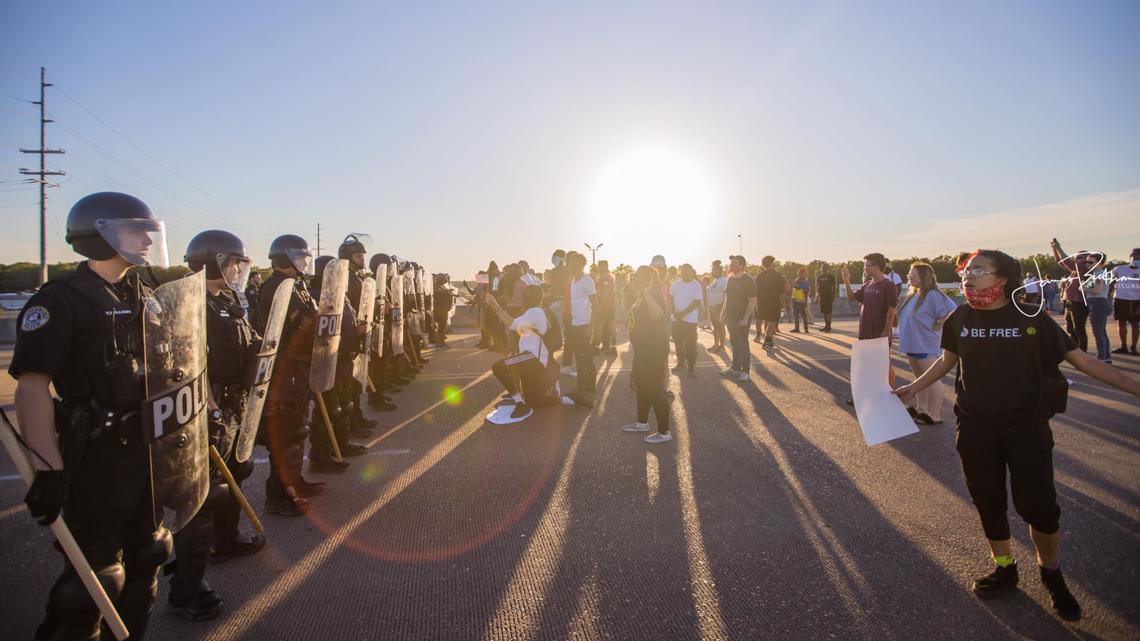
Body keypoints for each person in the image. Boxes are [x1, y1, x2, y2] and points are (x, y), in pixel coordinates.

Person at [895, 249, 1140, 622]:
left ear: (1002, 279)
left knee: (1039, 507)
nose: (969, 276)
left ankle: (1051, 573)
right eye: (967, 270)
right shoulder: (960, 317)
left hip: (1027, 427)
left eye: (979, 270)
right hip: (975, 427)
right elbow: (947, 362)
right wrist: (912, 389)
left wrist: (1134, 387)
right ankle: (1005, 567)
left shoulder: (1031, 317)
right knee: (988, 502)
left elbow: (1083, 361)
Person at [11, 192, 185, 639]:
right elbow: (32, 387)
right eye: (135, 231)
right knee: (94, 580)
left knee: (149, 553)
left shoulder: (146, 295)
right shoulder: (61, 300)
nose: (147, 241)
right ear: (99, 234)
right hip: (96, 456)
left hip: (146, 450)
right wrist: (48, 469)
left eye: (149, 232)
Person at [167, 229, 265, 620]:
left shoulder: (228, 300)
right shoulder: (188, 302)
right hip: (208, 408)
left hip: (235, 402)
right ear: (215, 261)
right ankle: (186, 587)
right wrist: (208, 409)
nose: (239, 270)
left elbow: (248, 343)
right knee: (202, 497)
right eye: (235, 263)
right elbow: (188, 362)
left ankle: (226, 541)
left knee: (236, 471)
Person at [260, 233, 323, 514]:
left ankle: (294, 482)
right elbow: (300, 325)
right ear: (284, 258)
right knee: (284, 435)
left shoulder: (296, 286)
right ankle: (278, 496)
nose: (304, 263)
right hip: (285, 370)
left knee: (298, 430)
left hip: (299, 368)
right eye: (299, 257)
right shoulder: (276, 287)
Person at [485, 285, 562, 420]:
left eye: (525, 295)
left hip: (531, 358)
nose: (522, 298)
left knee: (498, 367)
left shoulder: (534, 312)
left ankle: (519, 403)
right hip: (535, 360)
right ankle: (561, 398)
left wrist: (494, 305)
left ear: (530, 297)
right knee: (533, 401)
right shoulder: (541, 311)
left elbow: (511, 324)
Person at [896, 262, 957, 425]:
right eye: (909, 274)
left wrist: (939, 323)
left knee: (933, 380)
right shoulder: (914, 294)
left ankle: (935, 414)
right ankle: (921, 409)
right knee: (919, 379)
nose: (909, 276)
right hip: (912, 344)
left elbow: (953, 310)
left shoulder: (933, 295)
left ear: (923, 277)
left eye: (913, 274)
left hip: (925, 344)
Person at [623, 266, 673, 443]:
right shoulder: (641, 295)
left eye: (638, 276)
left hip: (654, 349)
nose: (634, 279)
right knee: (641, 385)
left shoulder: (653, 293)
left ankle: (664, 432)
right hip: (642, 348)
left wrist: (646, 294)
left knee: (654, 389)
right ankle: (642, 423)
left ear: (648, 279)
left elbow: (657, 315)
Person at [564, 251, 597, 406]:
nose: (570, 265)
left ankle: (582, 390)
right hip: (575, 324)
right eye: (569, 262)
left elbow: (596, 305)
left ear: (580, 265)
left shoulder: (587, 281)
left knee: (583, 358)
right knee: (583, 357)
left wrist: (591, 326)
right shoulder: (573, 280)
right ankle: (588, 387)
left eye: (573, 263)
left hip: (584, 324)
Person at [1050, 239, 1093, 352]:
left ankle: (1082, 349)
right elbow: (1060, 261)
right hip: (1069, 301)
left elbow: (1066, 261)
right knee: (1070, 328)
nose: (1078, 259)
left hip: (1079, 302)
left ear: (1087, 259)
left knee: (1078, 328)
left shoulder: (1085, 269)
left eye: (1081, 257)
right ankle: (1074, 348)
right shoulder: (1074, 271)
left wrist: (1059, 247)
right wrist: (1054, 248)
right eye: (1077, 257)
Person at [720, 255, 757, 382]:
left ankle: (745, 371)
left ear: (741, 265)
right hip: (731, 317)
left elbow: (752, 301)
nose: (731, 265)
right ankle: (735, 368)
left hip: (742, 318)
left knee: (743, 343)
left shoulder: (748, 280)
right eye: (731, 262)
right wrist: (723, 313)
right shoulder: (730, 279)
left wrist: (745, 318)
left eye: (734, 262)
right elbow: (727, 298)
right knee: (734, 342)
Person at [669, 263, 703, 377]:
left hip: (690, 320)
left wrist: (682, 313)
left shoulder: (696, 285)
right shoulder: (675, 285)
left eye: (687, 270)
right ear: (680, 272)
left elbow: (697, 302)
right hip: (676, 319)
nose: (684, 272)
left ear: (691, 271)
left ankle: (691, 366)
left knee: (690, 344)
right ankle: (680, 363)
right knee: (678, 342)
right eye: (683, 270)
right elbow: (671, 300)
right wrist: (675, 313)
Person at [1081, 254, 1113, 364]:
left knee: (1098, 333)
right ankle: (1106, 356)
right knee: (1102, 332)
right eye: (1086, 262)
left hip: (1098, 303)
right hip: (1099, 303)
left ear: (1100, 263)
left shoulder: (1099, 274)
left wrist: (1083, 288)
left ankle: (1101, 357)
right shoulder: (1098, 274)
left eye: (1091, 262)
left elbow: (1098, 290)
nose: (1087, 264)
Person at [1111, 248, 1140, 355]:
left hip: (1135, 300)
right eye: (1133, 255)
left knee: (1135, 324)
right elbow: (1111, 281)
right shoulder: (1119, 269)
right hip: (1120, 299)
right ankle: (1123, 346)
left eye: (1137, 256)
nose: (1134, 257)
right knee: (1121, 323)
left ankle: (1133, 347)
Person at [754, 256, 785, 349]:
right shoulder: (777, 275)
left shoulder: (759, 276)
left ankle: (770, 341)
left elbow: (756, 293)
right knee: (772, 323)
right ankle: (767, 342)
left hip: (762, 303)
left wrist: (757, 305)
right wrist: (782, 305)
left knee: (766, 321)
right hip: (773, 302)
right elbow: (781, 292)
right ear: (772, 263)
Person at [595, 260, 618, 356]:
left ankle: (596, 348)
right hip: (611, 306)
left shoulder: (606, 278)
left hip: (606, 306)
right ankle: (613, 348)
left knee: (599, 326)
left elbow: (606, 292)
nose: (598, 268)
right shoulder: (609, 276)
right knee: (611, 326)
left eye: (599, 266)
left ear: (605, 266)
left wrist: (601, 306)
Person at [705, 261, 728, 352]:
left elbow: (726, 294)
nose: (712, 272)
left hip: (719, 307)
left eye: (714, 270)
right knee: (715, 327)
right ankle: (716, 345)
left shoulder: (724, 280)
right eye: (712, 270)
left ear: (719, 271)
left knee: (720, 326)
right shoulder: (715, 280)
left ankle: (722, 346)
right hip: (712, 307)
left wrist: (721, 308)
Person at [433, 274, 454, 348]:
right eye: (444, 279)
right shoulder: (436, 286)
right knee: (441, 327)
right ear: (440, 279)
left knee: (442, 327)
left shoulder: (442, 286)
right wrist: (448, 291)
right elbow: (439, 292)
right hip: (440, 310)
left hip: (444, 309)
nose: (446, 280)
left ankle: (441, 342)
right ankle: (440, 343)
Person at [816, 264, 837, 332]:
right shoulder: (819, 277)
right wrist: (817, 296)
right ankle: (826, 326)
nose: (823, 268)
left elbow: (834, 286)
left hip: (829, 296)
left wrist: (834, 296)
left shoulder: (830, 276)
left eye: (824, 267)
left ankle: (829, 326)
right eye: (822, 267)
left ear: (827, 268)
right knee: (824, 312)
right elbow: (818, 288)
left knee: (829, 312)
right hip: (822, 297)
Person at [791, 267, 811, 333]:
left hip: (801, 301)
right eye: (799, 272)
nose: (799, 273)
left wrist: (805, 302)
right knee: (795, 315)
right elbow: (794, 290)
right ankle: (797, 328)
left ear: (804, 273)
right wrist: (793, 299)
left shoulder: (805, 281)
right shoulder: (796, 280)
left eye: (801, 272)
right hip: (795, 300)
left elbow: (806, 292)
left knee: (803, 315)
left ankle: (806, 329)